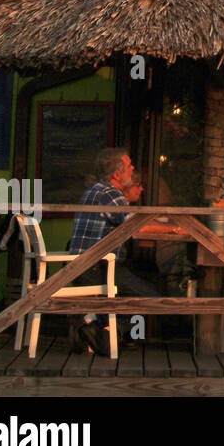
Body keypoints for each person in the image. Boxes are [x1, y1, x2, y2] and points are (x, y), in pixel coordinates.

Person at [68, 147, 160, 354]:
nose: (133, 168)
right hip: (94, 268)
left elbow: (133, 222)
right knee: (151, 296)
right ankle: (98, 330)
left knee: (132, 286)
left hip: (82, 266)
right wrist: (174, 227)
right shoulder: (110, 194)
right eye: (129, 166)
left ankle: (95, 325)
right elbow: (137, 227)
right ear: (118, 175)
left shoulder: (97, 189)